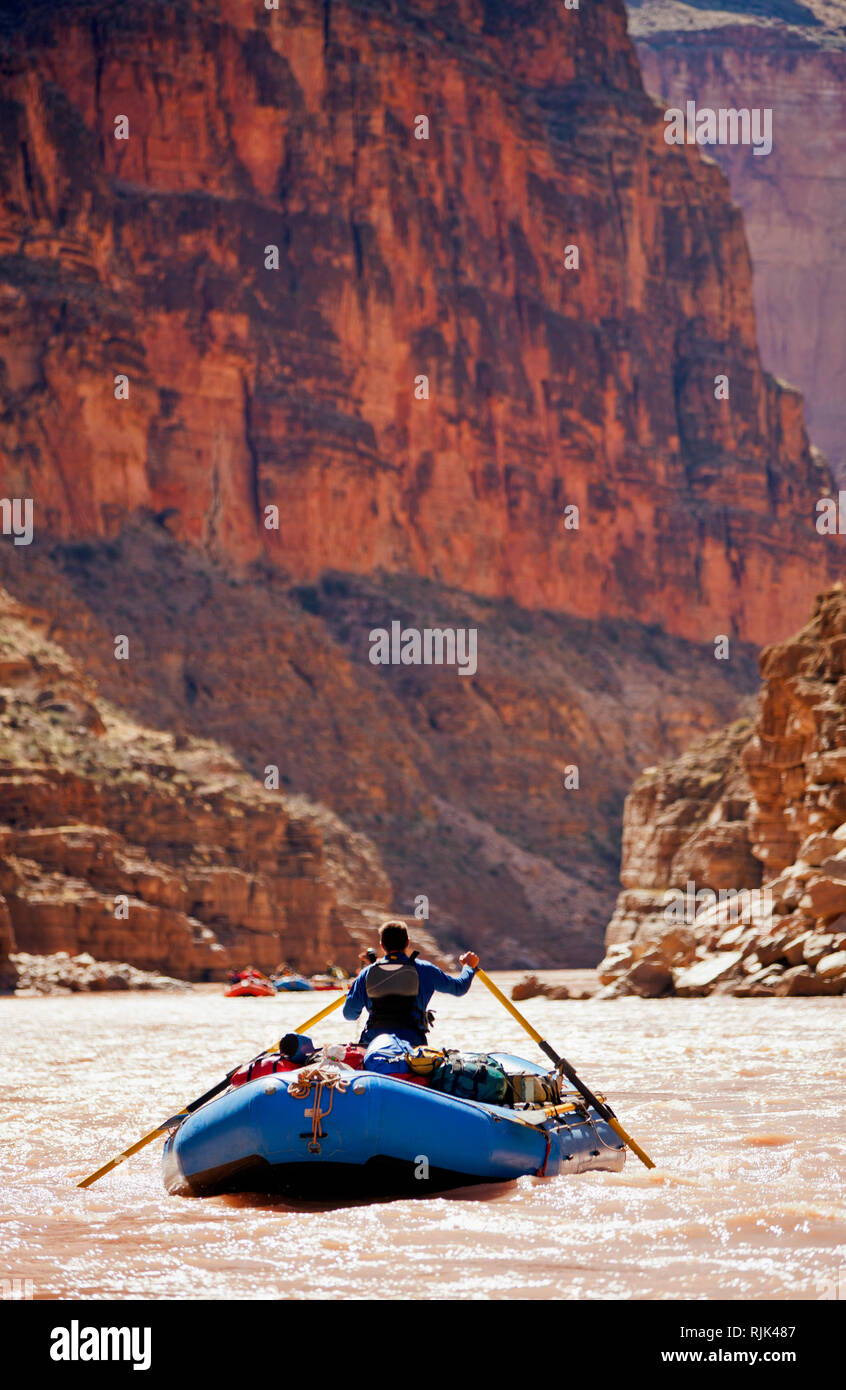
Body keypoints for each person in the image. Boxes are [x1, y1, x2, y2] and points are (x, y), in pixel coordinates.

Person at [343, 920, 479, 1048]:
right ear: (407, 943)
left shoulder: (366, 973)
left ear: (382, 945)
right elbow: (459, 988)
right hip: (413, 1044)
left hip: (373, 1044)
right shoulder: (425, 969)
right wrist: (468, 967)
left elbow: (349, 1014)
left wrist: (351, 995)